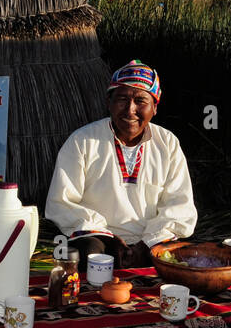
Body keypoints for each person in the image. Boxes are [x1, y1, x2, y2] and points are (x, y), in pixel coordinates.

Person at [45, 60, 197, 272]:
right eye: (122, 99)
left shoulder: (168, 143)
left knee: (180, 256)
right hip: (98, 238)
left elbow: (179, 206)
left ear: (155, 107)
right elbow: (61, 202)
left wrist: (147, 244)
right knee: (88, 253)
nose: (130, 110)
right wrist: (108, 238)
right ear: (109, 102)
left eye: (140, 101)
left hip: (152, 240)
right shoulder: (82, 141)